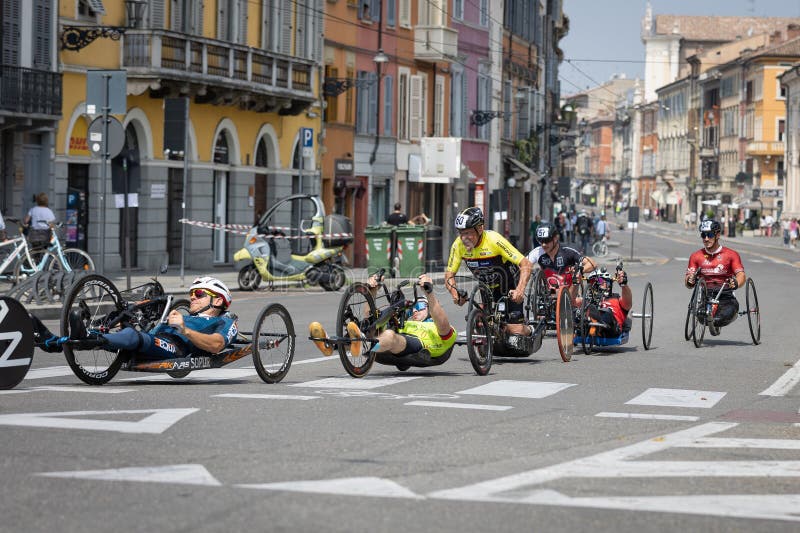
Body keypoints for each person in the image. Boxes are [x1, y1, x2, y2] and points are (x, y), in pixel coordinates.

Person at [69, 276, 238, 359]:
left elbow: (217, 345)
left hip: (175, 347)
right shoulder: (185, 315)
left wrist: (184, 330)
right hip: (153, 340)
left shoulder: (225, 321)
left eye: (199, 293)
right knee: (125, 319)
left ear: (217, 300)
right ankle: (53, 340)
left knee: (132, 336)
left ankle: (89, 338)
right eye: (192, 293)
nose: (192, 297)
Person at [309, 274, 457, 367]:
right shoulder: (406, 323)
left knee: (390, 336)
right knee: (373, 327)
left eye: (420, 306)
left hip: (423, 348)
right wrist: (372, 291)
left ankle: (364, 345)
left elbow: (443, 326)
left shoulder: (435, 325)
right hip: (392, 347)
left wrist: (429, 293)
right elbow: (370, 320)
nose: (416, 310)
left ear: (430, 310)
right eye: (413, 308)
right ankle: (331, 344)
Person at [444, 207, 533, 338]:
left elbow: (526, 264)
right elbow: (449, 275)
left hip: (509, 285)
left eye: (468, 233)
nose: (464, 238)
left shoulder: (494, 240)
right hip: (486, 288)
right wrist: (455, 293)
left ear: (479, 229)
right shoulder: (458, 245)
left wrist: (520, 290)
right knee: (479, 323)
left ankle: (531, 329)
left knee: (515, 331)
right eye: (461, 233)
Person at [685, 219, 746, 335]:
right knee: (702, 318)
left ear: (717, 235)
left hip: (726, 297)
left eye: (710, 235)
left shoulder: (731, 255)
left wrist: (736, 282)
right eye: (703, 235)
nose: (706, 238)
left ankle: (716, 321)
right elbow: (688, 280)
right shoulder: (696, 256)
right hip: (706, 297)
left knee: (719, 320)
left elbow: (741, 275)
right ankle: (710, 318)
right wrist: (690, 280)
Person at [527, 222, 596, 305]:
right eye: (540, 241)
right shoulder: (537, 252)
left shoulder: (568, 251)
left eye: (547, 241)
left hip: (569, 290)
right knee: (541, 315)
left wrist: (580, 271)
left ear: (555, 238)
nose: (544, 244)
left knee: (578, 301)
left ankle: (569, 305)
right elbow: (524, 265)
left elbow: (592, 264)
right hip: (551, 291)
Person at [582, 267, 632, 338]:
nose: (596, 284)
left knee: (606, 311)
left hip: (611, 329)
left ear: (608, 284)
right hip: (587, 323)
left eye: (600, 280)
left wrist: (624, 285)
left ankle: (597, 325)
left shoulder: (615, 298)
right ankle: (590, 324)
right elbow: (572, 301)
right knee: (579, 310)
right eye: (593, 282)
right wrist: (574, 282)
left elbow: (628, 304)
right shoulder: (587, 300)